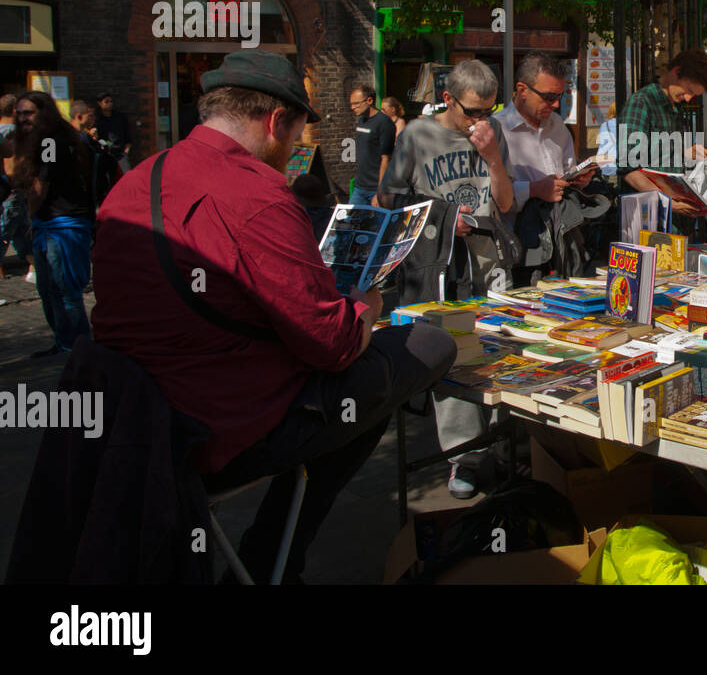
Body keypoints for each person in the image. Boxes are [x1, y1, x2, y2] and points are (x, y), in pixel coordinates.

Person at [91, 50, 453, 583]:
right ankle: (273, 556)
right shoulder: (257, 194)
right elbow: (331, 345)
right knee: (425, 347)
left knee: (354, 394)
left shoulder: (135, 180)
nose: (294, 150)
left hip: (133, 418)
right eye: (298, 134)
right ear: (276, 121)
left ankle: (273, 553)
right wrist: (366, 307)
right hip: (220, 428)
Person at [377, 57, 515, 500]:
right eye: (472, 111)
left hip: (488, 260)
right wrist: (441, 214)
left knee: (497, 352)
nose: (480, 120)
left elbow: (506, 203)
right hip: (440, 265)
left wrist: (492, 156)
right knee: (453, 355)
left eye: (489, 110)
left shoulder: (493, 134)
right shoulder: (417, 135)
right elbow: (387, 199)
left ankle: (499, 447)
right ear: (447, 98)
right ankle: (464, 459)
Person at [7, 91, 94, 358]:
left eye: (28, 113)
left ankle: (78, 347)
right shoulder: (53, 137)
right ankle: (64, 343)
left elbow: (40, 185)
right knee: (47, 289)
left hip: (63, 223)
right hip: (52, 222)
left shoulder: (51, 140)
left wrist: (31, 217)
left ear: (43, 113)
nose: (23, 119)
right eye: (19, 113)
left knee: (65, 289)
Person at [498, 52, 596, 283]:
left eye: (560, 96)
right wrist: (533, 189)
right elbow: (491, 198)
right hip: (518, 248)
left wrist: (578, 180)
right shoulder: (497, 130)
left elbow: (566, 170)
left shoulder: (558, 126)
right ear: (522, 90)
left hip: (560, 242)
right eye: (548, 96)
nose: (555, 104)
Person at [620, 49, 707, 226]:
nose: (688, 98)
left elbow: (660, 152)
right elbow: (628, 168)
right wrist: (666, 201)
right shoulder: (642, 102)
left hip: (675, 218)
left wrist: (688, 152)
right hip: (648, 217)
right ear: (675, 72)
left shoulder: (676, 106)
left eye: (694, 95)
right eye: (688, 90)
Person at [0, 93, 36, 283]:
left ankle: (35, 267)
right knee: (5, 229)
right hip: (11, 188)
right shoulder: (11, 133)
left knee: (21, 228)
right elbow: (11, 164)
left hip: (12, 189)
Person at [347, 84, 395, 206]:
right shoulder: (362, 120)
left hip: (376, 188)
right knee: (349, 223)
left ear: (369, 100)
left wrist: (380, 191)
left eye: (356, 103)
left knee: (379, 223)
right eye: (351, 104)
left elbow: (386, 158)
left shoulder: (384, 123)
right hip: (360, 186)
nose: (353, 107)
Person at [92, 92, 132, 170]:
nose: (110, 104)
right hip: (105, 153)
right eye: (106, 102)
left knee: (126, 174)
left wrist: (126, 151)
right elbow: (95, 137)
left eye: (111, 101)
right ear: (100, 103)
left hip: (120, 153)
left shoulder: (119, 117)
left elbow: (127, 134)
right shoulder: (97, 119)